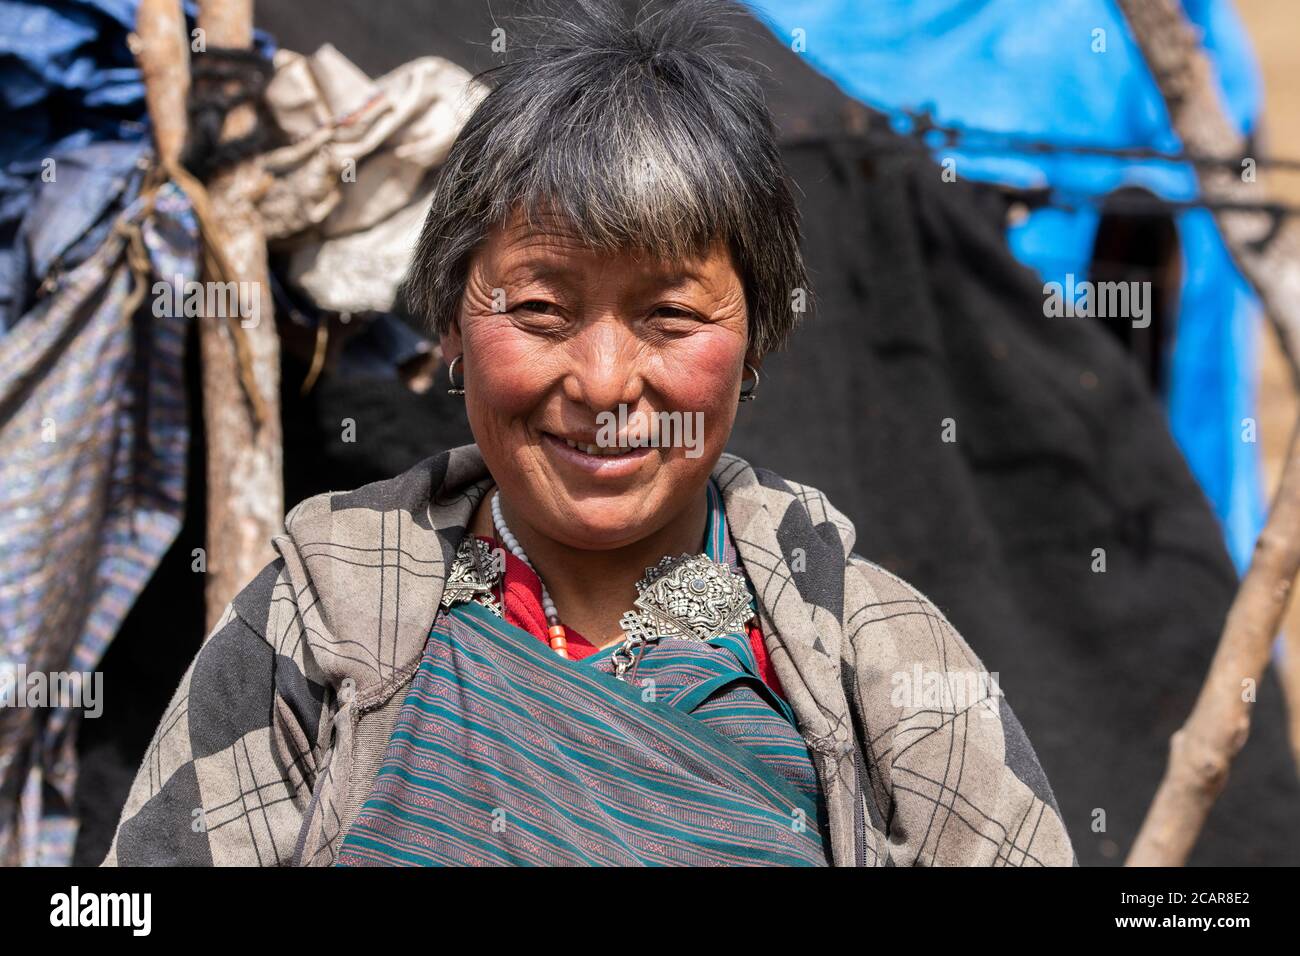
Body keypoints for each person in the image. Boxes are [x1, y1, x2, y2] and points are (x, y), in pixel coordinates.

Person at [105, 0, 1073, 866]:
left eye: (669, 315)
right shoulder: (322, 620)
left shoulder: (881, 665)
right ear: (449, 325)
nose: (604, 383)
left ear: (758, 336)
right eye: (538, 309)